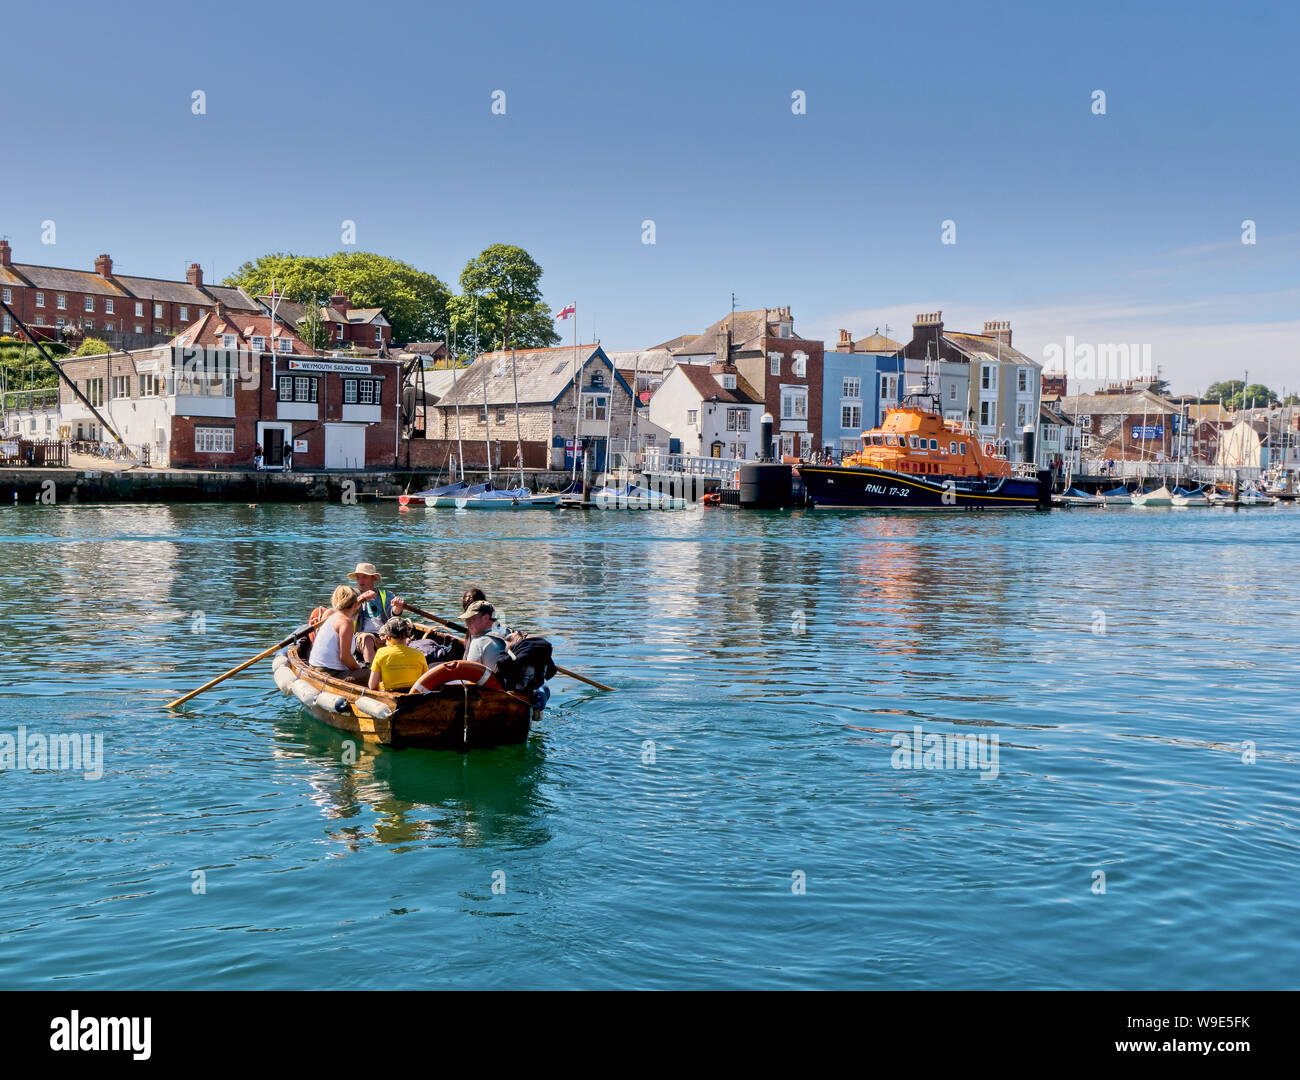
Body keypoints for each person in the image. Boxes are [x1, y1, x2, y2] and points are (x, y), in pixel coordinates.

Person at [347, 562, 406, 663]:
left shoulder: (386, 595)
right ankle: (371, 672)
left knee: (405, 637)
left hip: (384, 635)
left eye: (364, 577)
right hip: (359, 636)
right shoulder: (351, 595)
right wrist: (362, 598)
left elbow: (394, 614)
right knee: (367, 639)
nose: (360, 581)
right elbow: (345, 611)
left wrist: (398, 607)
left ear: (373, 578)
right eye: (358, 577)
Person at [308, 585, 369, 682]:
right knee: (371, 673)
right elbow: (345, 657)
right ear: (355, 605)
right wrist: (362, 672)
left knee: (368, 667)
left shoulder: (333, 615)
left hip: (315, 666)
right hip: (328, 672)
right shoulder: (346, 622)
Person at [369, 616, 428, 692]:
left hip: (391, 697)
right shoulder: (419, 654)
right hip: (414, 697)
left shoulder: (381, 653)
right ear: (408, 634)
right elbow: (426, 682)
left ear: (387, 637)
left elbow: (372, 685)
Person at [461, 599, 509, 673]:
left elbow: (467, 675)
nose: (467, 624)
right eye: (466, 620)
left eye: (471, 619)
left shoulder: (479, 642)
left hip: (497, 684)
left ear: (486, 618)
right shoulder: (508, 632)